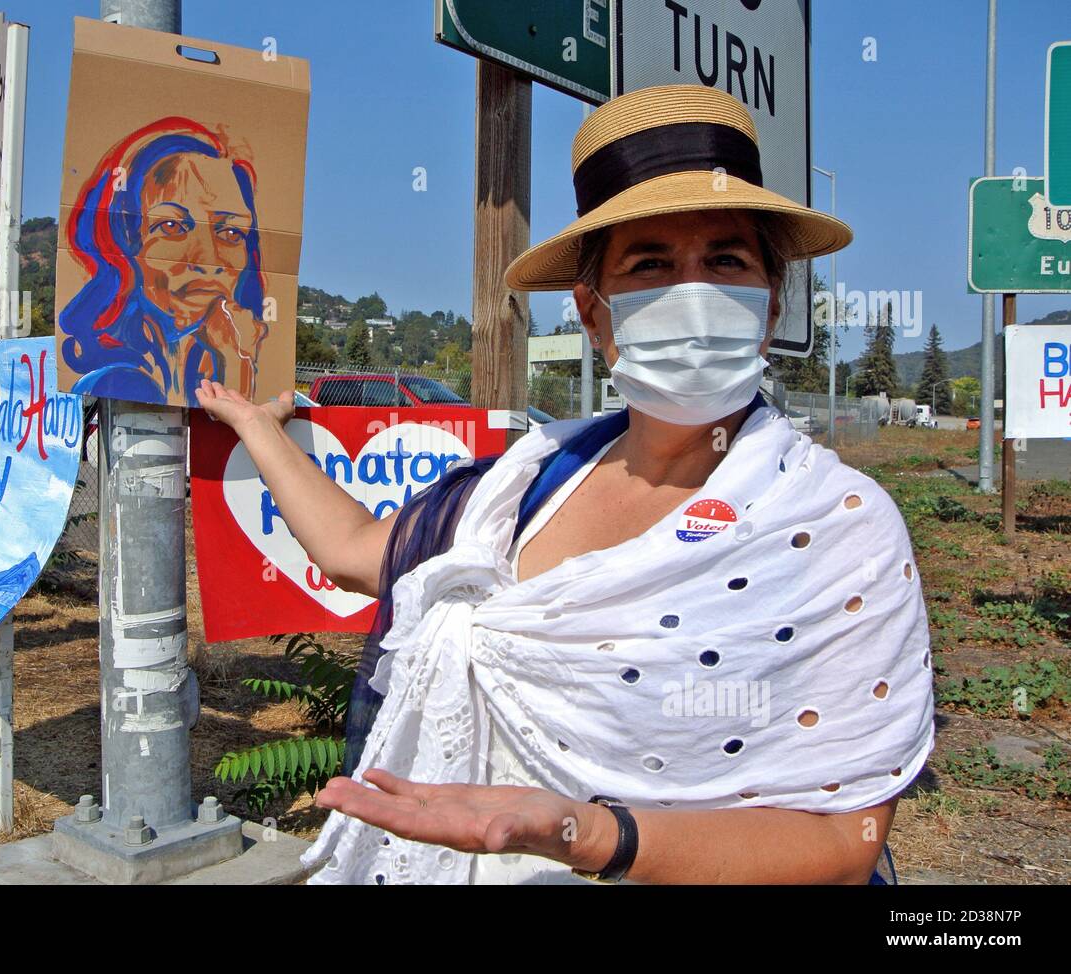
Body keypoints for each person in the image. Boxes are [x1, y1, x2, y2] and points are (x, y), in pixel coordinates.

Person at [194, 85, 934, 885]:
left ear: (771, 301)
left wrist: (588, 836)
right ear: (593, 313)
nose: (692, 292)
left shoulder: (836, 527)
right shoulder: (526, 484)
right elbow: (352, 551)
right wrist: (260, 429)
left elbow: (842, 842)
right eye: (650, 263)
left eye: (726, 259)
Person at [60, 117, 269, 404]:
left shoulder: (216, 369)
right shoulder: (115, 384)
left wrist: (235, 362)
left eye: (231, 232)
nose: (208, 260)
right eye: (172, 227)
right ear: (125, 242)